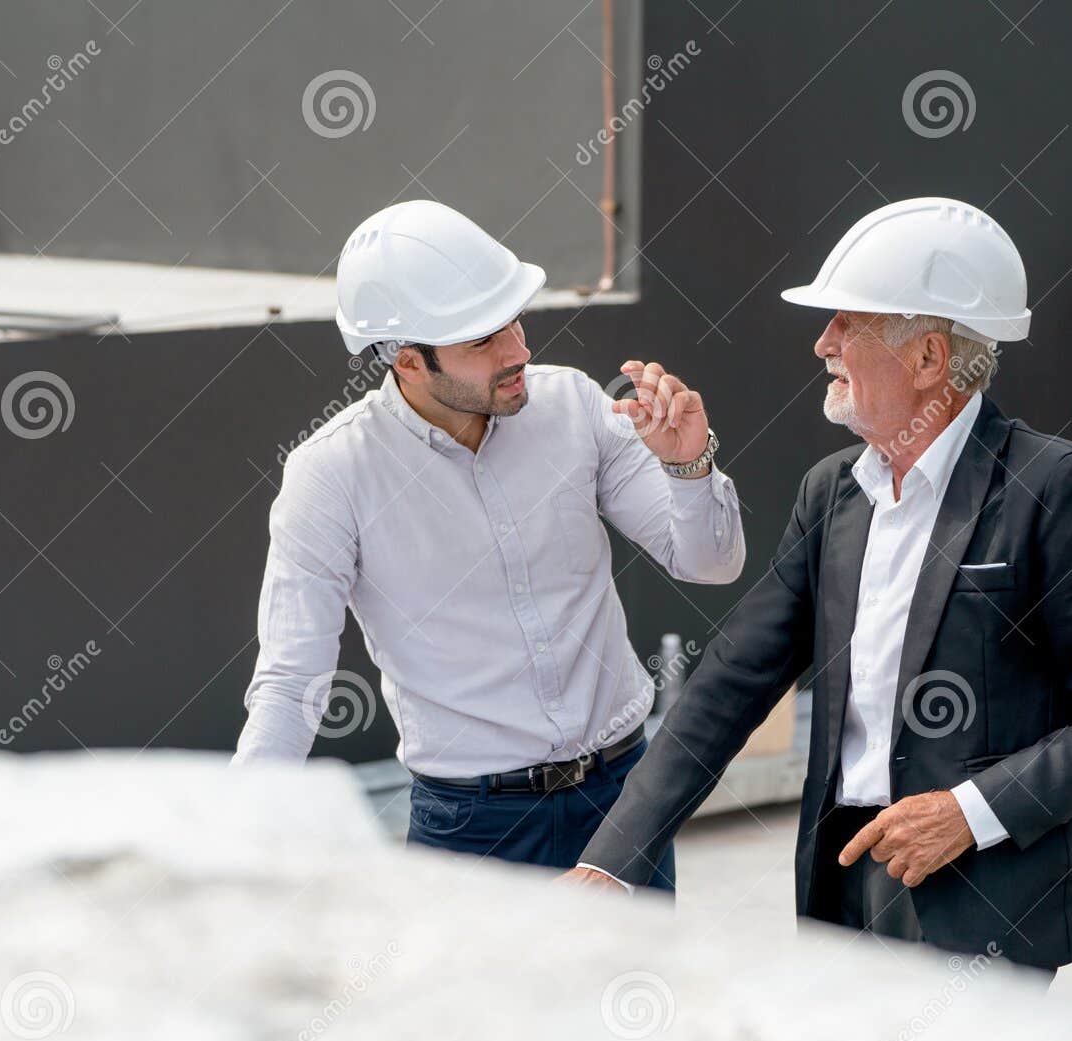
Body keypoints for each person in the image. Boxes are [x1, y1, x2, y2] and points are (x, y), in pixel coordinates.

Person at [564, 197, 1072, 976]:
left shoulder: (1048, 487)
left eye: (846, 324)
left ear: (929, 359)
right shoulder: (834, 492)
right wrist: (615, 859)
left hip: (987, 898)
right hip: (845, 881)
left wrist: (970, 812)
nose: (822, 343)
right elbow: (731, 680)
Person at [234, 200, 746, 892]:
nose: (519, 352)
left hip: (624, 798)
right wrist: (231, 845)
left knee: (635, 1003)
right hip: (470, 828)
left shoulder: (576, 407)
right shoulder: (331, 476)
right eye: (482, 340)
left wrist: (688, 466)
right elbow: (292, 682)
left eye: (513, 320)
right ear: (409, 361)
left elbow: (712, 563)